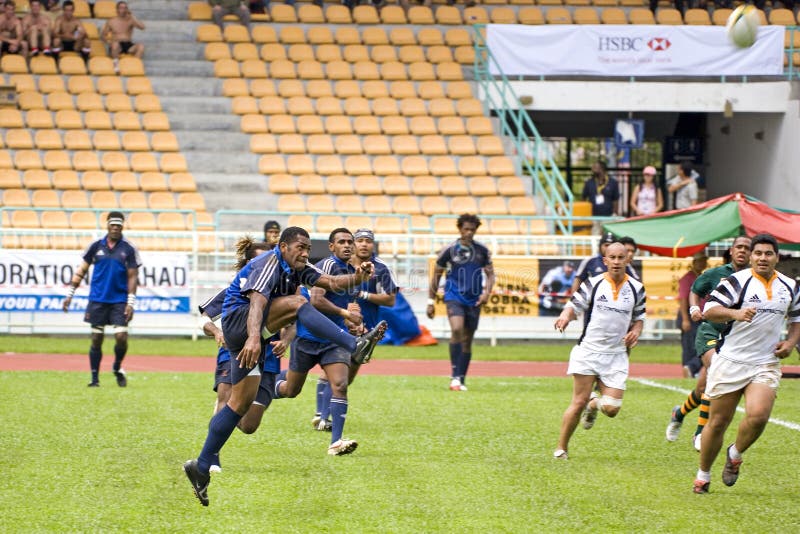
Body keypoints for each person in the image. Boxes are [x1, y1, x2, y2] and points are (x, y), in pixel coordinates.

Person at [183, 226, 387, 507]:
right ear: (283, 247)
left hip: (251, 333)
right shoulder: (268, 263)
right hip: (241, 325)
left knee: (239, 405)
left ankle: (202, 465)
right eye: (300, 247)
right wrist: (253, 338)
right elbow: (257, 303)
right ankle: (355, 345)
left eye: (307, 249)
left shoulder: (298, 267)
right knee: (298, 302)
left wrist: (359, 277)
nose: (305, 253)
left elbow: (331, 282)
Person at [693, 233, 800, 494]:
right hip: (731, 360)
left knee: (759, 416)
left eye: (768, 253)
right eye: (758, 253)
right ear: (751, 256)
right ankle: (703, 474)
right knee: (718, 422)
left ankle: (735, 453)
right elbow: (709, 310)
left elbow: (797, 319)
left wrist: (789, 343)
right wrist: (736, 313)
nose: (763, 258)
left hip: (765, 362)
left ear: (777, 257)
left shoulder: (790, 286)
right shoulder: (736, 281)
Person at [274, 228, 386, 456]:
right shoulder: (327, 266)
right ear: (331, 246)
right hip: (307, 338)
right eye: (341, 242)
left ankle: (336, 442)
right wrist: (345, 314)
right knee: (291, 389)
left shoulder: (352, 272)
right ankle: (264, 387)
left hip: (334, 340)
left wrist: (354, 324)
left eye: (350, 242)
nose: (347, 245)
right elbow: (316, 301)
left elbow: (343, 307)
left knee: (340, 385)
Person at [197, 236, 288, 473]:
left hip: (267, 357)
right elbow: (204, 318)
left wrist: (286, 340)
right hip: (235, 350)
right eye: (259, 260)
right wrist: (217, 332)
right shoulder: (235, 291)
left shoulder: (279, 291)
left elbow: (295, 318)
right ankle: (211, 457)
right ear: (248, 264)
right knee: (226, 398)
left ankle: (280, 384)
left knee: (249, 425)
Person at [553, 241, 647, 459]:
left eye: (621, 257)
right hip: (589, 351)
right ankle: (561, 449)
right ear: (605, 260)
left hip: (616, 355)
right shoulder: (593, 284)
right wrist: (565, 316)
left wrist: (636, 331)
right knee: (578, 402)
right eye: (612, 258)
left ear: (628, 259)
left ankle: (594, 404)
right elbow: (573, 305)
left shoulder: (637, 288)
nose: (616, 262)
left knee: (612, 409)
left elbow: (639, 318)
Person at [666, 236, 751, 449]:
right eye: (739, 247)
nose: (742, 251)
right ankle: (700, 433)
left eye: (747, 248)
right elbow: (695, 290)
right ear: (731, 251)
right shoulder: (716, 274)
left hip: (736, 338)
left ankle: (679, 413)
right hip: (710, 332)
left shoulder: (755, 277)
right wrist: (694, 308)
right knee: (715, 371)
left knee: (702, 387)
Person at [311, 228, 398, 431]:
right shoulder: (341, 265)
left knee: (348, 375)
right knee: (335, 368)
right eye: (360, 241)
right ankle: (322, 415)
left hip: (366, 327)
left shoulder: (381, 268)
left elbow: (391, 299)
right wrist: (345, 315)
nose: (364, 244)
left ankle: (323, 413)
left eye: (368, 241)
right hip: (340, 323)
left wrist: (363, 295)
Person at [62, 211, 141, 387]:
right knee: (96, 339)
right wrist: (70, 294)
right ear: (107, 225)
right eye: (112, 224)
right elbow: (81, 270)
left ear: (122, 226)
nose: (115, 228)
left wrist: (130, 303)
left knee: (121, 337)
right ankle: (94, 379)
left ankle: (117, 367)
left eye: (118, 225)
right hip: (98, 299)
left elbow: (133, 276)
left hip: (119, 300)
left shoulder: (129, 248)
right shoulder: (95, 245)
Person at [426, 214, 495, 392]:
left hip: (474, 299)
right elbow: (436, 276)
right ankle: (455, 376)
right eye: (466, 229)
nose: (469, 232)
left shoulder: (482, 250)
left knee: (467, 340)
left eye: (472, 229)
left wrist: (486, 293)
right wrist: (430, 301)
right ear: (459, 229)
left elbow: (490, 274)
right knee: (457, 329)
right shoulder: (449, 250)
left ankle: (460, 379)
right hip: (454, 296)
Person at [569, 232, 638, 295]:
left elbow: (636, 282)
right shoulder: (590, 261)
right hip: (593, 300)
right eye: (606, 245)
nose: (609, 248)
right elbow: (578, 279)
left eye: (611, 245)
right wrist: (574, 299)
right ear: (600, 246)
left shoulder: (624, 263)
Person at [677, 251, 709, 378]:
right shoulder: (687, 278)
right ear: (694, 262)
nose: (702, 263)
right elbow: (683, 299)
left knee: (700, 344)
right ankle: (689, 368)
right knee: (690, 345)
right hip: (690, 316)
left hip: (701, 317)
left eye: (704, 261)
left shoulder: (702, 277)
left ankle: (690, 369)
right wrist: (685, 319)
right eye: (700, 261)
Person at [100, 0, 144, 70]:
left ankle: (133, 66)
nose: (123, 10)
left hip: (128, 44)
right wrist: (109, 43)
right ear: (117, 9)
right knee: (115, 45)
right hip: (116, 45)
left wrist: (132, 16)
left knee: (141, 47)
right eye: (121, 8)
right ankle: (116, 66)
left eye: (125, 8)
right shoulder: (111, 21)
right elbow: (103, 35)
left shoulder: (131, 20)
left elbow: (142, 27)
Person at [581, 161, 620, 235]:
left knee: (607, 237)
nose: (592, 169)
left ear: (601, 168)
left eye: (595, 167)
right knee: (594, 237)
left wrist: (615, 214)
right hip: (593, 217)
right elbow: (583, 198)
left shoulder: (613, 182)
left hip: (608, 216)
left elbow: (616, 199)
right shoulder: (589, 182)